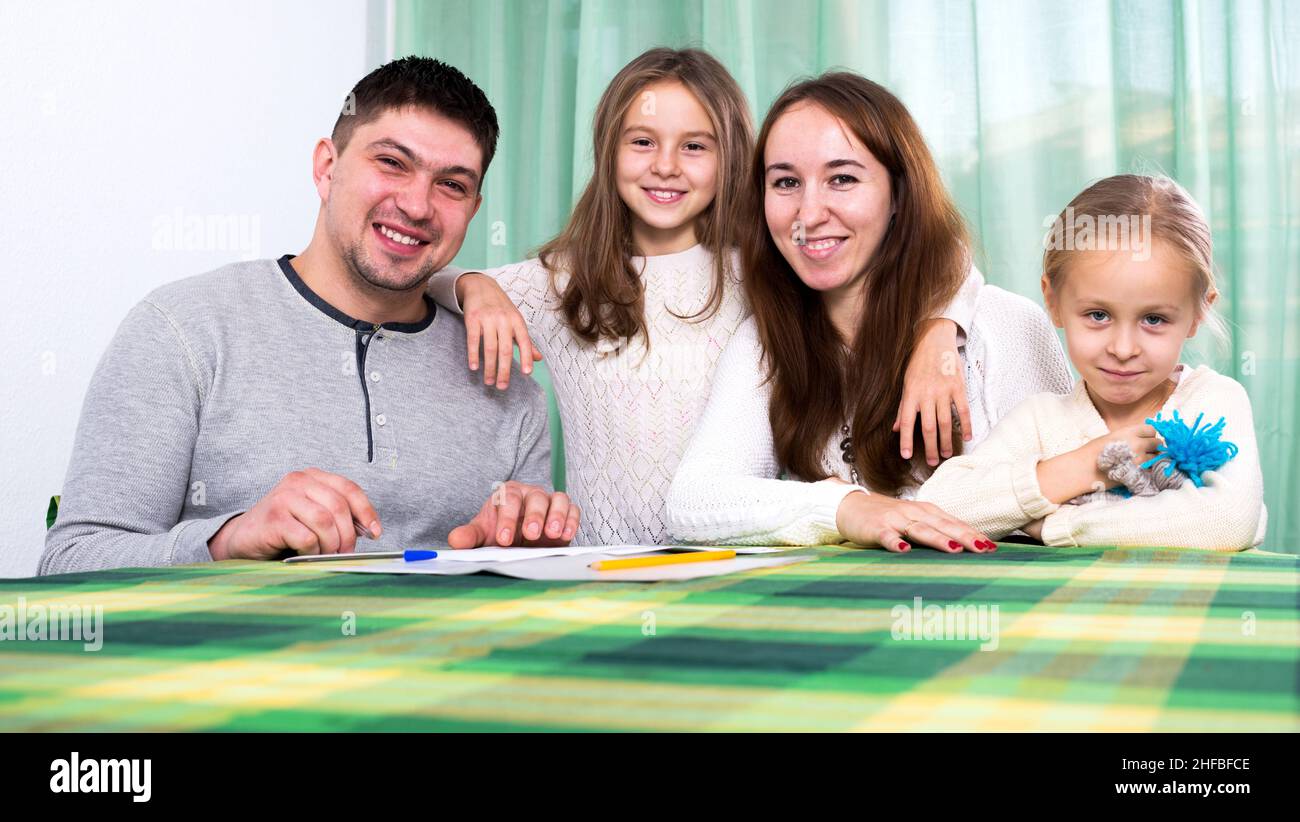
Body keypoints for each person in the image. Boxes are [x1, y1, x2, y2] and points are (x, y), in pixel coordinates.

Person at [41, 57, 576, 575]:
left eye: (452, 185)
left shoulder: (507, 379)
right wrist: (227, 542)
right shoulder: (183, 330)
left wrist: (518, 556)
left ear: (474, 209)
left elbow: (517, 576)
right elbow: (71, 564)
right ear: (327, 168)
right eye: (392, 162)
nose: (417, 205)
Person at [429, 49, 984, 545]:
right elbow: (423, 274)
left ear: (732, 160)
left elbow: (939, 251)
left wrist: (938, 330)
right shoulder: (562, 282)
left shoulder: (765, 267)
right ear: (608, 151)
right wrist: (472, 285)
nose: (665, 165)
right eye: (642, 142)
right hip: (600, 567)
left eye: (694, 146)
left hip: (738, 554)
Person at [667, 72, 1073, 552]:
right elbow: (693, 501)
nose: (809, 213)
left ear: (899, 195)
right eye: (786, 182)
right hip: (839, 614)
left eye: (842, 179)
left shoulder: (1004, 326)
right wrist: (846, 508)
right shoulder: (763, 342)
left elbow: (1073, 495)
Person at [918, 175, 1266, 550]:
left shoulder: (1212, 401)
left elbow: (1228, 520)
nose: (1122, 347)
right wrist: (1086, 465)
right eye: (1098, 315)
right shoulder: (1041, 420)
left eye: (1154, 319)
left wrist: (1061, 525)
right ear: (1053, 301)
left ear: (1198, 313)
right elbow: (936, 507)